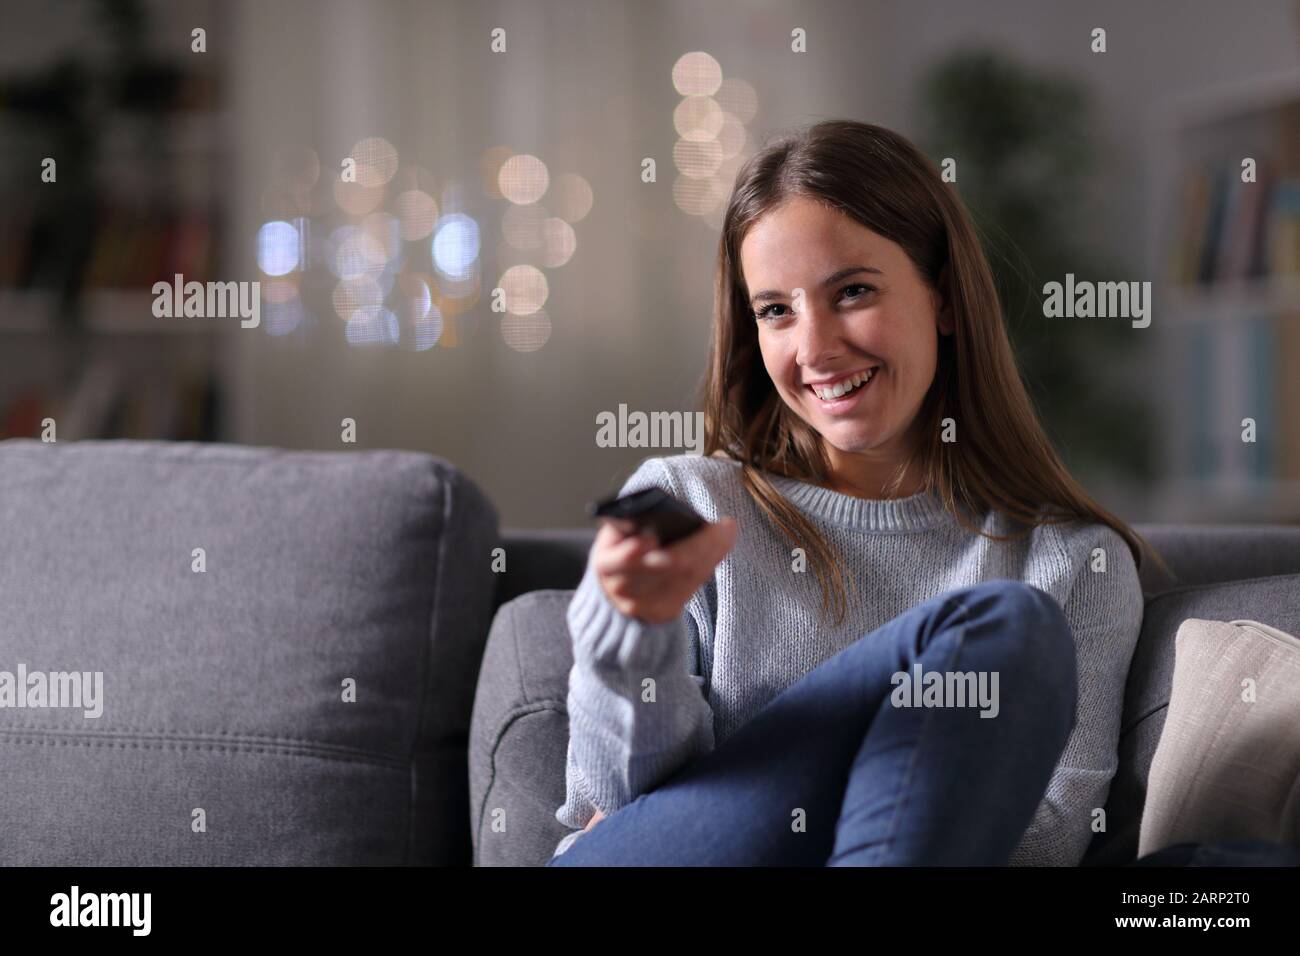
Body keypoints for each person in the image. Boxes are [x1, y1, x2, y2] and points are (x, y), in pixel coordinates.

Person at [547, 120, 1163, 867]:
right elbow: (618, 809)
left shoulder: (1074, 562)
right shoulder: (691, 504)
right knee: (1006, 628)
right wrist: (632, 636)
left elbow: (1051, 842)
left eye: (853, 292)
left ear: (943, 298)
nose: (814, 350)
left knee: (1007, 630)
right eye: (776, 310)